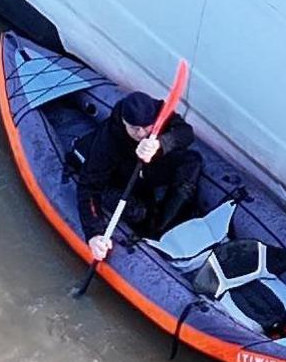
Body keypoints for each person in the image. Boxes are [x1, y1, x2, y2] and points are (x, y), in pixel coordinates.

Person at [71, 91, 202, 262]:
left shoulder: (159, 112)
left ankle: (166, 222)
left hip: (149, 166)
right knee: (137, 212)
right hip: (121, 179)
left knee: (191, 162)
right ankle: (149, 229)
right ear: (125, 122)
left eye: (145, 127)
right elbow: (89, 187)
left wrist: (161, 143)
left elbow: (186, 133)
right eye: (134, 128)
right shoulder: (108, 141)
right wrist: (94, 233)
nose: (141, 134)